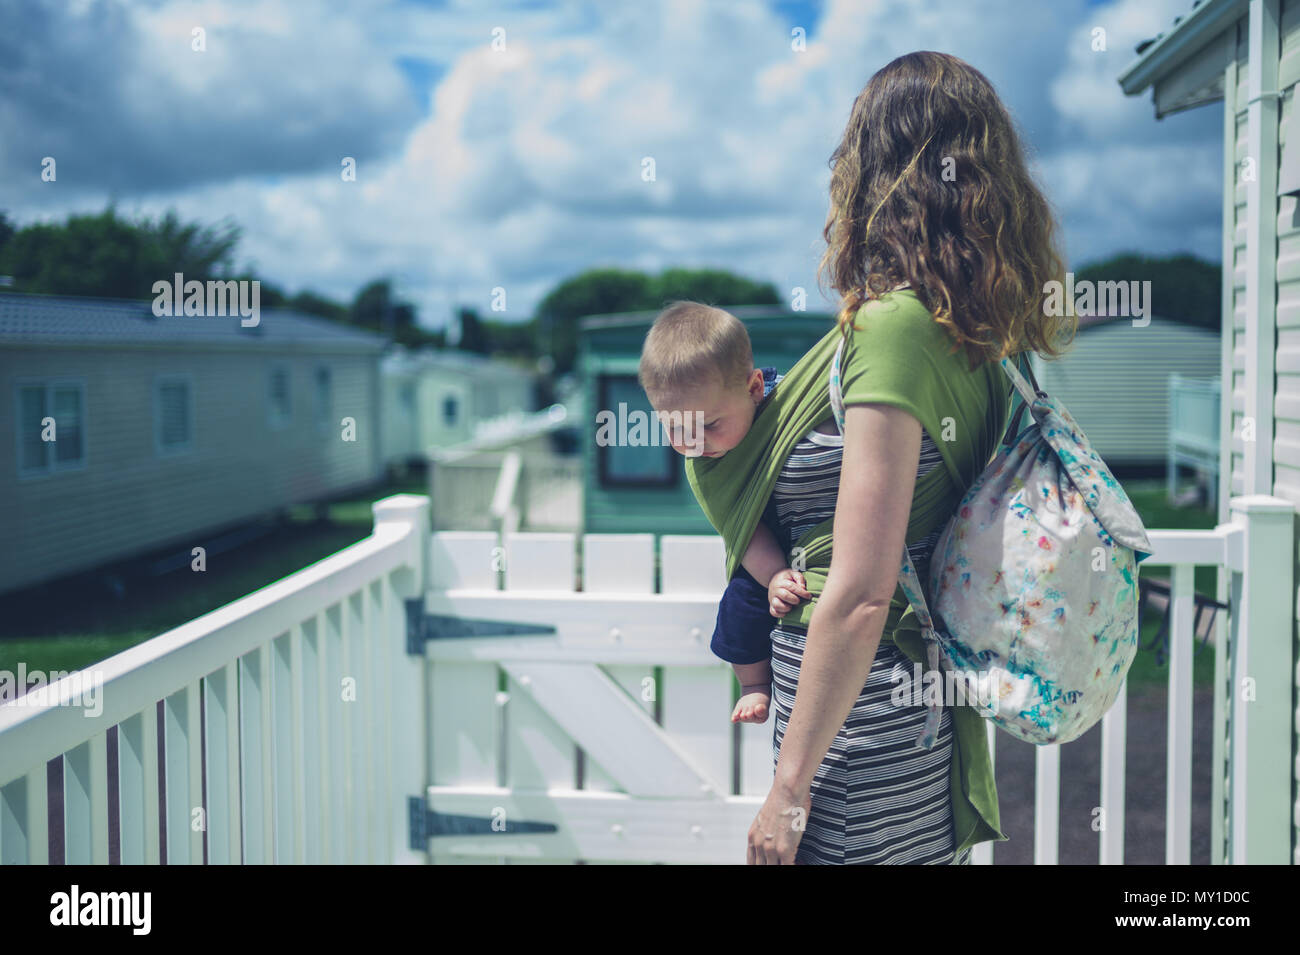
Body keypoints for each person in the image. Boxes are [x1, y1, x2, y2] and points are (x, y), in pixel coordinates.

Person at [684, 50, 1076, 864]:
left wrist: (788, 793)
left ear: (878, 172)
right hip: (905, 723)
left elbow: (861, 591)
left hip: (854, 740)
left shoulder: (892, 332)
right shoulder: (978, 339)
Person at [637, 300, 813, 726]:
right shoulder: (704, 465)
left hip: (817, 526)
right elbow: (743, 532)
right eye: (675, 429)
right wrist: (773, 576)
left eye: (709, 425)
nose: (692, 441)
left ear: (755, 389)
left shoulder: (793, 403)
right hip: (764, 544)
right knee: (739, 604)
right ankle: (754, 683)